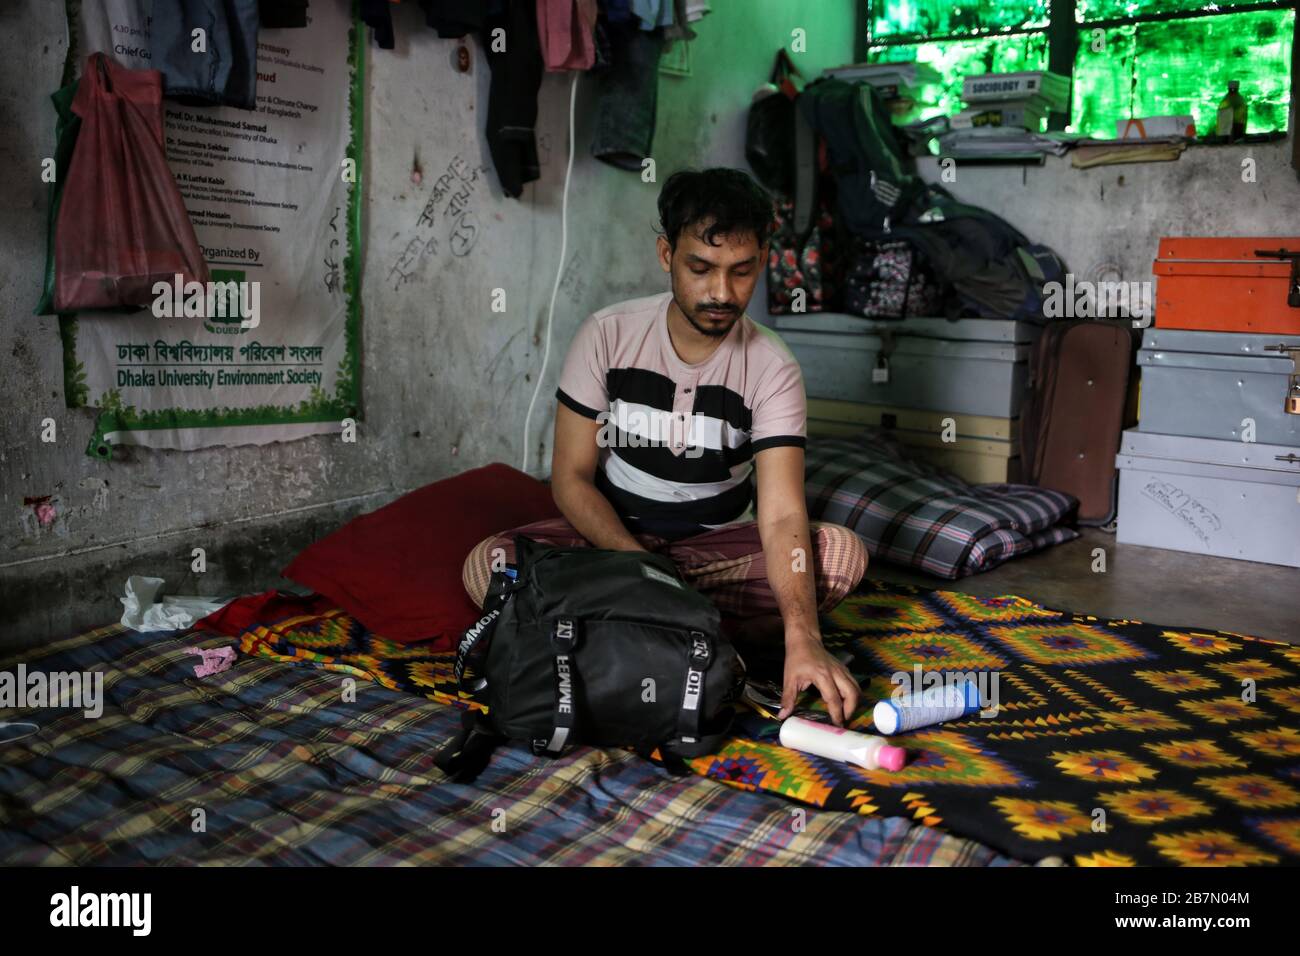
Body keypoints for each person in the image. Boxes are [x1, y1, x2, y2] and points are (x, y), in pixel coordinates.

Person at [463, 167, 867, 724]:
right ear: (665, 254)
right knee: (489, 567)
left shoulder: (772, 366)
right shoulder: (607, 335)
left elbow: (779, 515)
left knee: (842, 556)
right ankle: (697, 632)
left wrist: (804, 636)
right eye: (700, 268)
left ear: (763, 261)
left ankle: (635, 631)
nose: (721, 293)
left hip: (715, 551)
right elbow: (571, 479)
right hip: (612, 547)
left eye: (741, 271)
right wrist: (638, 567)